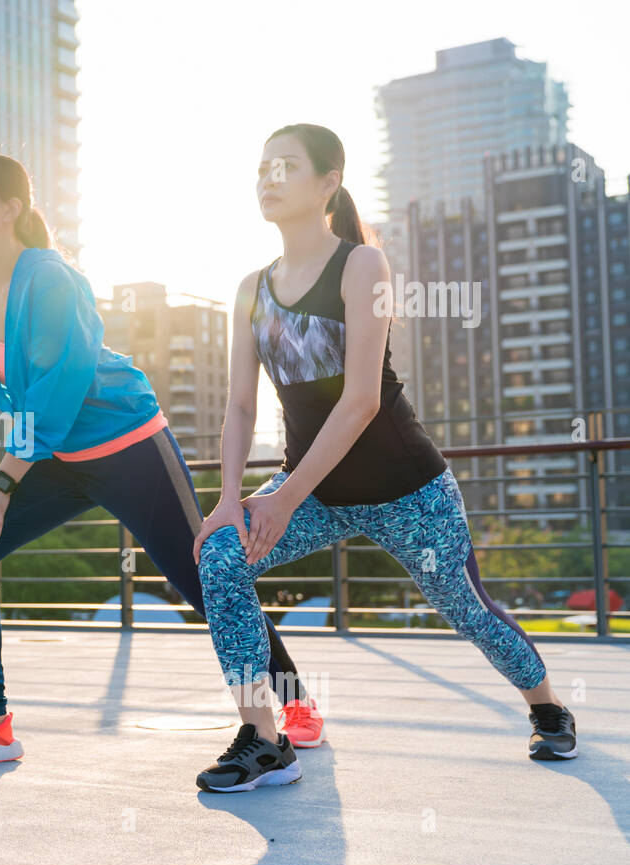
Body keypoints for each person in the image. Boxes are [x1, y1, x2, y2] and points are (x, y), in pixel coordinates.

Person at [191, 123, 577, 793]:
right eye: (262, 167)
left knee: (467, 609)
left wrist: (282, 497)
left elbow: (362, 401)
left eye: (286, 166)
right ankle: (263, 738)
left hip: (407, 489)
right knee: (220, 557)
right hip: (315, 494)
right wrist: (231, 498)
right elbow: (242, 409)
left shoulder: (361, 265)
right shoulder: (251, 288)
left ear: (328, 183)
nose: (269, 178)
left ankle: (548, 708)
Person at [0, 152, 321, 768]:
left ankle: (292, 700)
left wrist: (1, 483)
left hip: (127, 444)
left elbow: (59, 389)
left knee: (199, 574)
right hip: (53, 457)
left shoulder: (51, 277)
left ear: (11, 209)